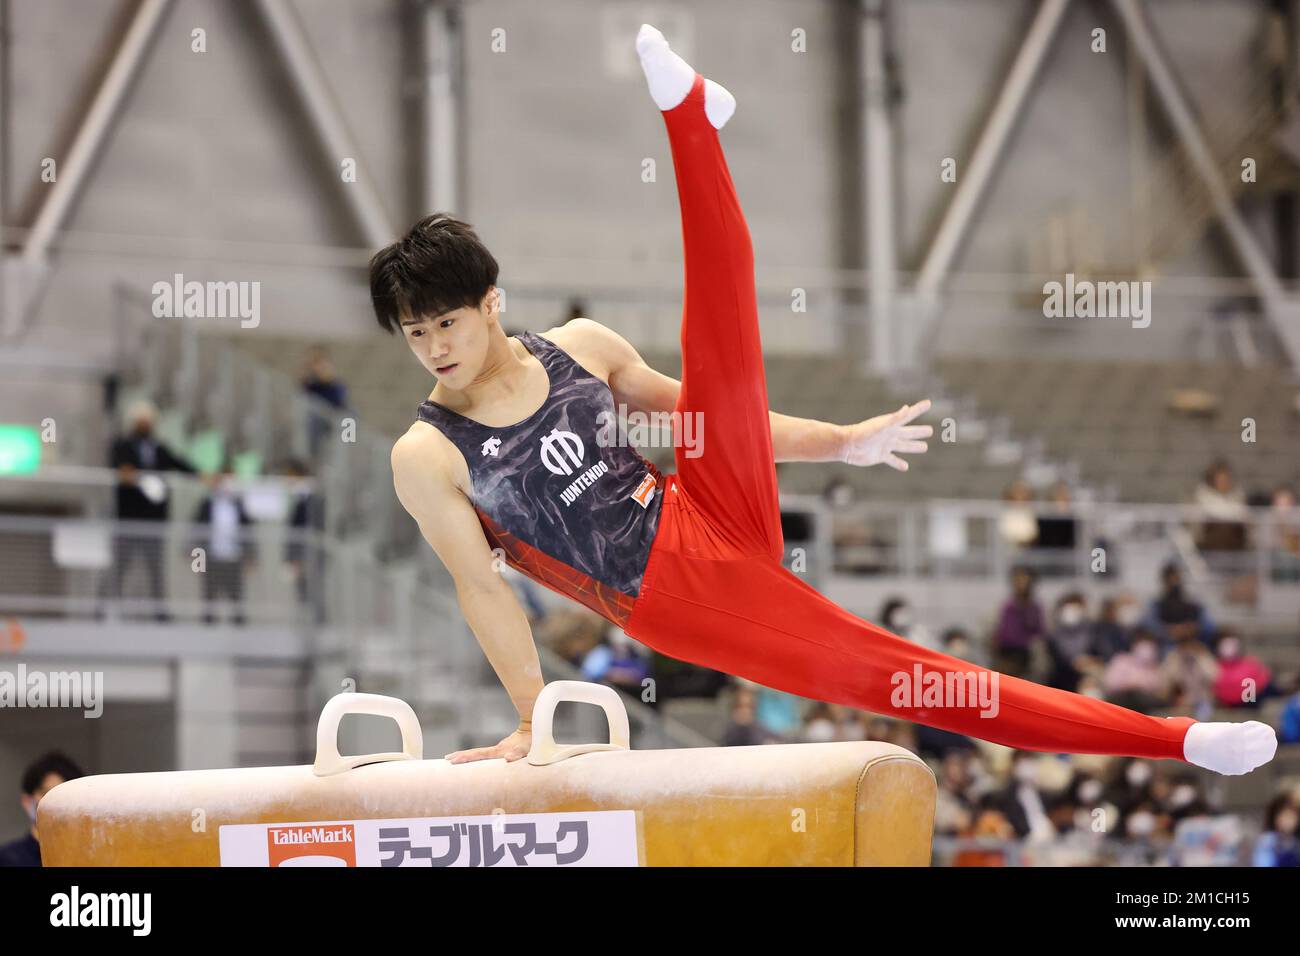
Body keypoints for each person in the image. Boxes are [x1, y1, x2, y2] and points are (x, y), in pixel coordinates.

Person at [380, 25, 1275, 776]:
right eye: (416, 335)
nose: (435, 350)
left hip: (703, 507)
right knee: (914, 680)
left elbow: (713, 418)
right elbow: (480, 589)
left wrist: (843, 442)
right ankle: (1181, 739)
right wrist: (534, 716)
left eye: (446, 324)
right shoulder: (430, 455)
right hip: (677, 596)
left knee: (720, 344)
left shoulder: (576, 348)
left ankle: (691, 116)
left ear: (491, 301)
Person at [105, 399, 196, 621]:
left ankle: (160, 613)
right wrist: (130, 474)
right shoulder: (122, 446)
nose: (146, 424)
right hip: (128, 519)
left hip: (154, 520)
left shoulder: (159, 448)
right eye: (142, 420)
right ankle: (106, 609)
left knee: (155, 569)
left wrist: (204, 475)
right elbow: (121, 468)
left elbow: (181, 464)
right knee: (120, 567)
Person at [189, 465, 257, 626]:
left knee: (236, 598)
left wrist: (250, 557)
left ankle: (240, 639)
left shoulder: (240, 505)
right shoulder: (207, 504)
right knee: (209, 599)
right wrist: (198, 562)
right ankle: (207, 634)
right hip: (212, 558)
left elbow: (249, 533)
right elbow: (196, 532)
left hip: (233, 558)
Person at [0, 752, 84, 867]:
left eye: (63, 793)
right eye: (46, 793)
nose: (54, 801)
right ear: (27, 801)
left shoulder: (88, 855)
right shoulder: (6, 859)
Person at [991, 565, 1044, 679]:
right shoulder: (1005, 607)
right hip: (1006, 656)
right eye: (1017, 580)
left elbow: (1040, 633)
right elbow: (999, 634)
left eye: (1024, 580)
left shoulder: (1036, 608)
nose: (1021, 584)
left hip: (1028, 657)